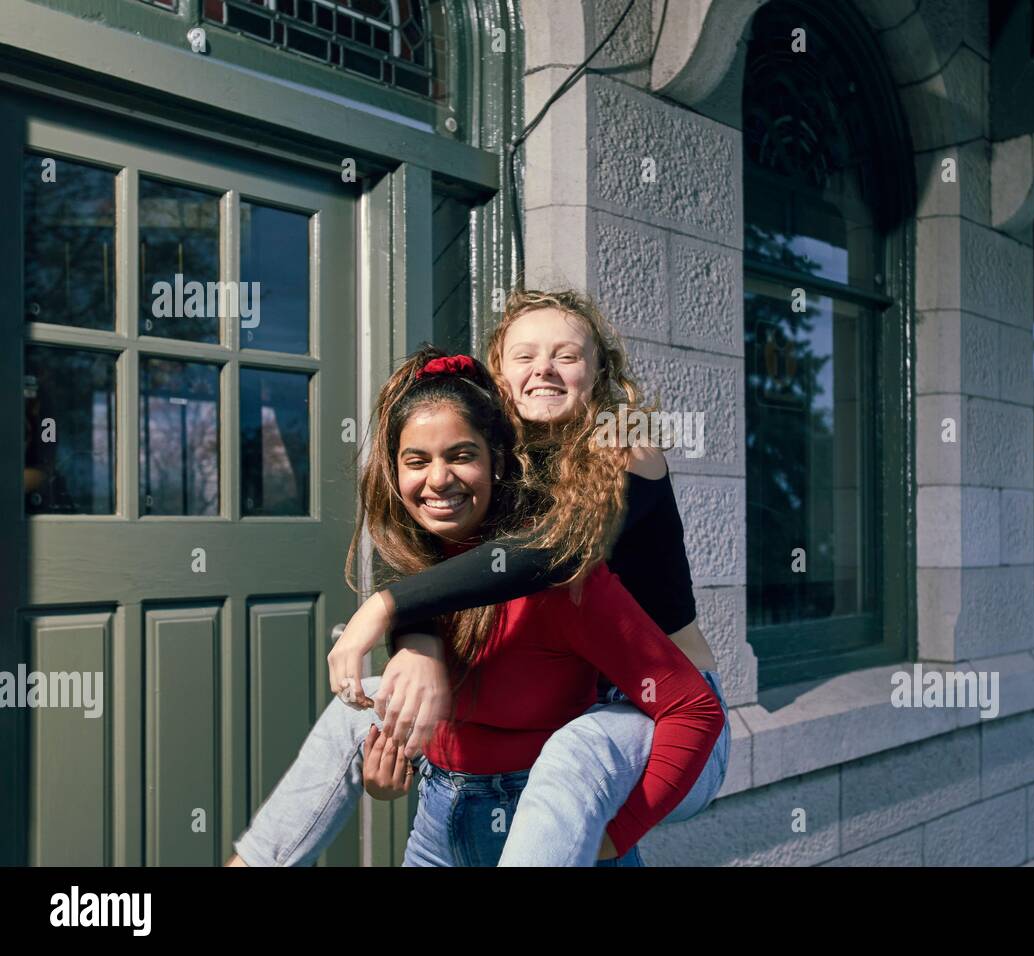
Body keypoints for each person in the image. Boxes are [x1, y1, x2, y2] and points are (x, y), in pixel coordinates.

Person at [229, 289, 730, 867]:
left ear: (600, 372)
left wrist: (384, 609)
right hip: (577, 702)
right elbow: (418, 537)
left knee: (577, 752)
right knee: (357, 710)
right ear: (500, 375)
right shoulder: (504, 469)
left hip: (664, 706)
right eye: (526, 355)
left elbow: (550, 551)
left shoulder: (620, 448)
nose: (544, 366)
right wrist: (416, 644)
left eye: (566, 354)